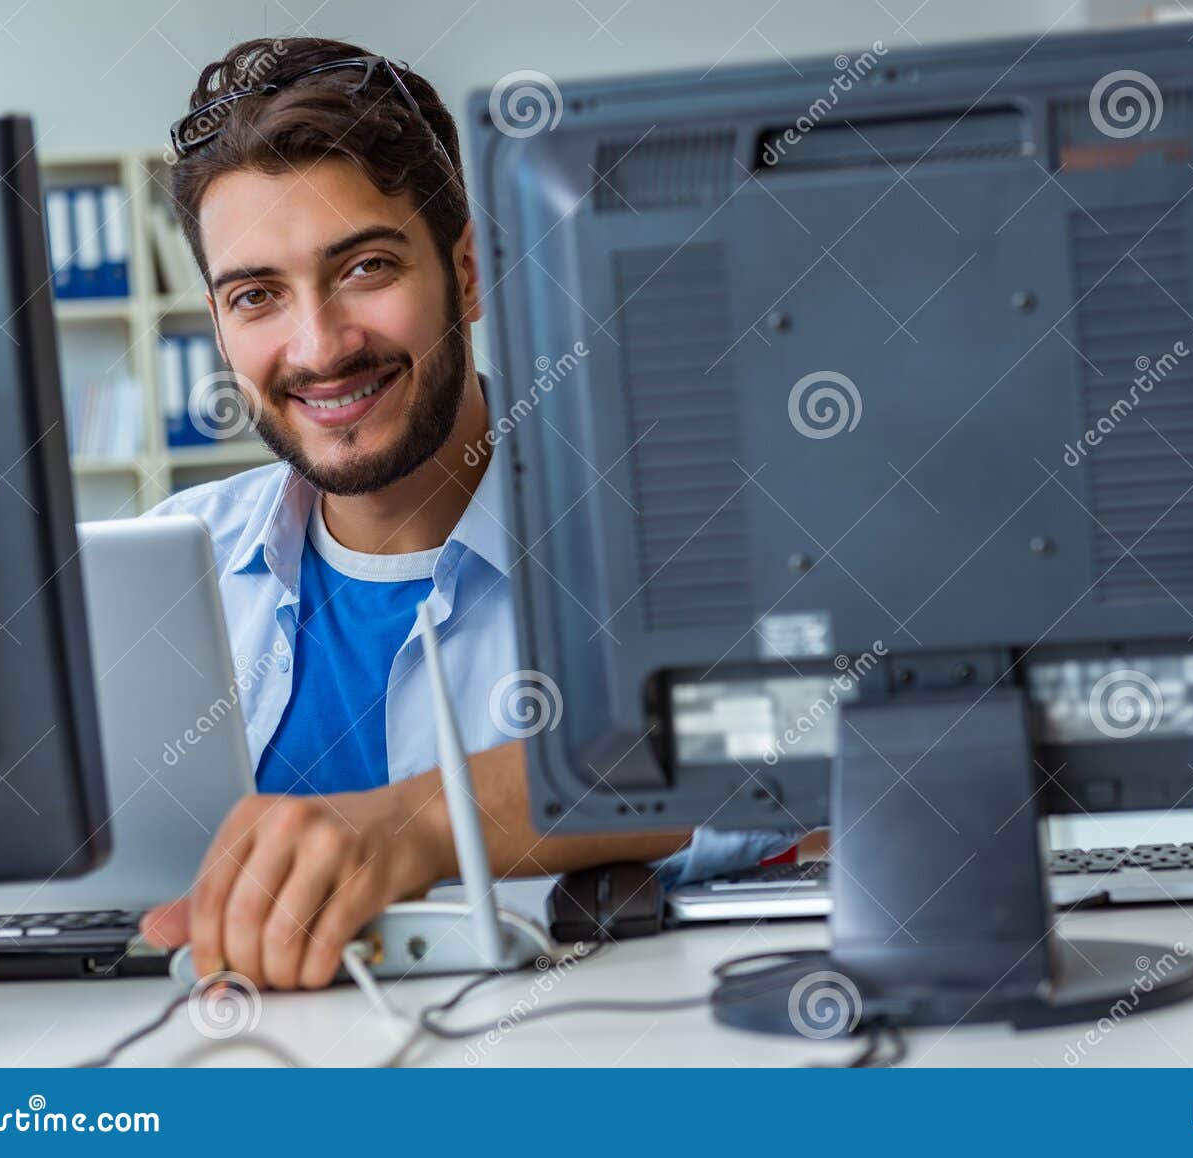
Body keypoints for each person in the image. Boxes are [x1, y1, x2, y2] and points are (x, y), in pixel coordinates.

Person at [137, 36, 795, 989]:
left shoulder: (662, 522)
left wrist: (419, 826)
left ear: (470, 272)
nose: (319, 347)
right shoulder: (168, 559)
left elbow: (783, 753)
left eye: (365, 267)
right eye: (257, 296)